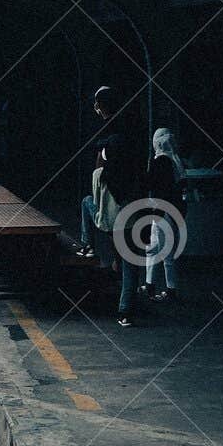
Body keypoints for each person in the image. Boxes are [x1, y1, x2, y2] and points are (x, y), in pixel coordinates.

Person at [88, 86, 142, 327]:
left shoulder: (104, 172)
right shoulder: (134, 154)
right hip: (133, 213)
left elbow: (97, 175)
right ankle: (125, 312)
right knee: (130, 261)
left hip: (111, 217)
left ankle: (87, 244)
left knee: (86, 204)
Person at [144, 128, 186, 302]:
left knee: (153, 249)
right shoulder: (175, 161)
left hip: (160, 211)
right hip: (173, 212)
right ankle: (170, 288)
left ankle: (150, 286)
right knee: (168, 252)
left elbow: (154, 187)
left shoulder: (160, 161)